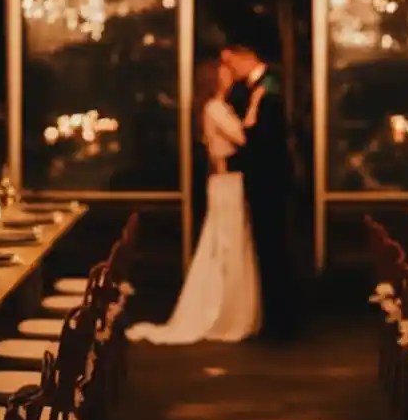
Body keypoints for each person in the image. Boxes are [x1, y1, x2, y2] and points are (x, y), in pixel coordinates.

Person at [127, 59, 264, 344]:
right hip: (225, 182)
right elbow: (241, 136)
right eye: (224, 72)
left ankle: (231, 309)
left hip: (226, 181)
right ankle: (223, 312)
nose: (229, 74)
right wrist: (255, 106)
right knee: (226, 244)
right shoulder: (214, 108)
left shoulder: (218, 107)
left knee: (227, 243)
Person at [222, 44, 297, 340]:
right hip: (265, 182)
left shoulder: (269, 89)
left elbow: (264, 141)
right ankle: (275, 316)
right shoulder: (256, 89)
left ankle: (280, 321)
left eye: (231, 63)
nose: (230, 71)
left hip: (269, 182)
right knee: (267, 247)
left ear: (246, 57)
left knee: (272, 247)